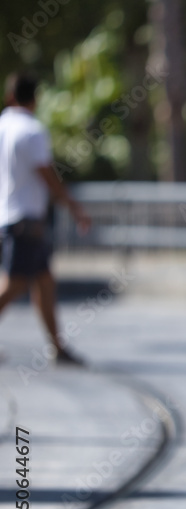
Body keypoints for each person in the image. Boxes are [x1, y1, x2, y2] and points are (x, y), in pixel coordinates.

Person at [0, 72, 91, 365]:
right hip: (25, 218)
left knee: (45, 282)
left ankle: (57, 347)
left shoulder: (2, 125)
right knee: (15, 284)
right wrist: (74, 207)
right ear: (35, 99)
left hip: (8, 215)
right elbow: (46, 173)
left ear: (10, 96)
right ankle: (58, 347)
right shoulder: (32, 130)